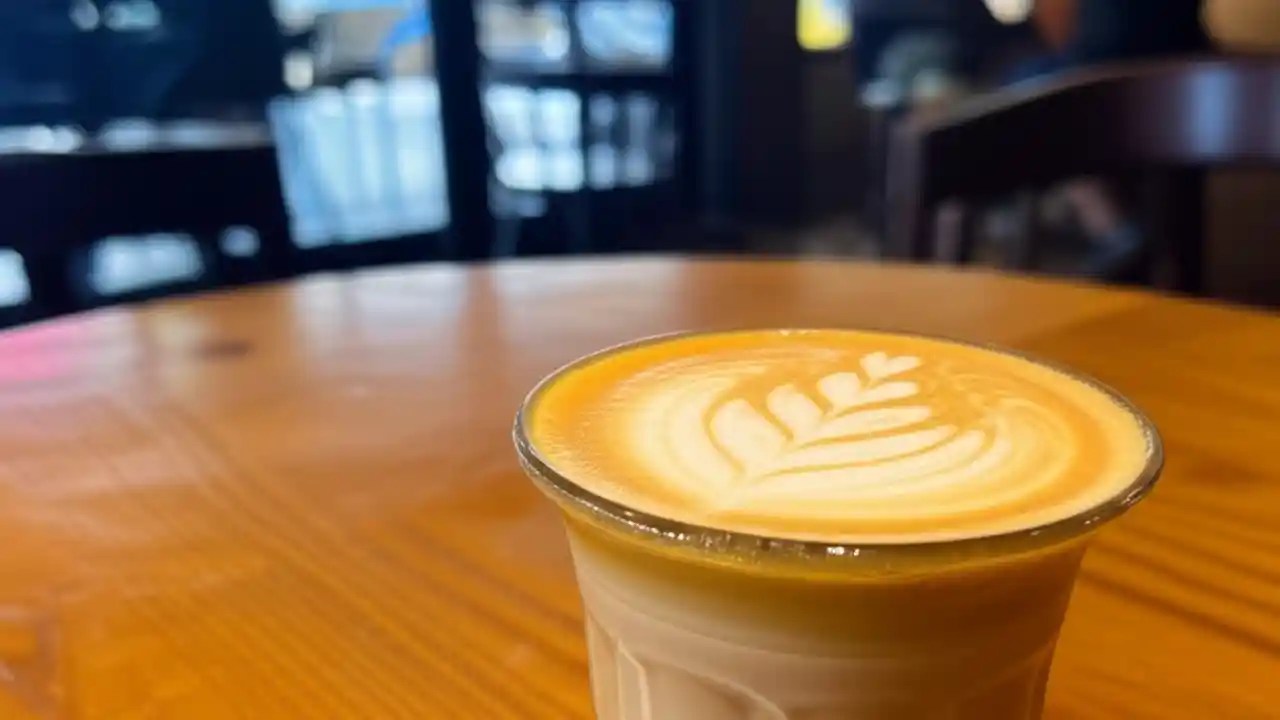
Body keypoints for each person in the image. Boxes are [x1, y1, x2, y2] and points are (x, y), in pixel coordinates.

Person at [1016, 0, 1213, 278]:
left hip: (1113, 61)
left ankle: (1111, 226)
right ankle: (1112, 225)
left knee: (1028, 88)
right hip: (1189, 60)